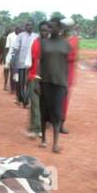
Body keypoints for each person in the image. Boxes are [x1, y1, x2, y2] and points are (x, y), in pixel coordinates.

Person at [38, 18, 72, 152]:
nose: (51, 30)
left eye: (53, 27)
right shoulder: (44, 43)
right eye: (50, 28)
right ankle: (43, 139)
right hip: (45, 82)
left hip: (59, 83)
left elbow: (66, 67)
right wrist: (36, 82)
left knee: (57, 113)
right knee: (44, 111)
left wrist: (66, 85)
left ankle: (55, 143)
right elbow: (40, 63)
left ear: (60, 28)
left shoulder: (66, 45)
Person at [26, 20, 49, 139]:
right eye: (42, 30)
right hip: (34, 76)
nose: (43, 32)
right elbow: (32, 60)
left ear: (49, 31)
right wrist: (29, 76)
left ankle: (40, 127)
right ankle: (36, 128)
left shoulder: (51, 44)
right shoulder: (35, 43)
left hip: (47, 79)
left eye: (46, 30)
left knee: (43, 105)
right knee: (35, 104)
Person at [61, 17, 80, 133]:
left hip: (68, 73)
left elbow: (74, 56)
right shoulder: (56, 39)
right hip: (56, 71)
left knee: (64, 100)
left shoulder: (74, 40)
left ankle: (60, 123)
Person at [14, 22, 37, 106]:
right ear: (25, 27)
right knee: (21, 83)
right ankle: (21, 99)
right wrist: (14, 61)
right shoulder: (21, 35)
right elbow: (15, 49)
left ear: (33, 27)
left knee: (29, 83)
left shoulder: (36, 36)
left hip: (31, 64)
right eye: (27, 25)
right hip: (21, 63)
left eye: (30, 25)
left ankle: (26, 101)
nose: (28, 27)